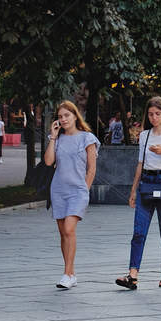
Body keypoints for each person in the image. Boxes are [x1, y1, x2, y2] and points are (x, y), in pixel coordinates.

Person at [115, 96, 161, 291]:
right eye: (150, 114)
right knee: (139, 231)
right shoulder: (145, 135)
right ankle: (132, 275)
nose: (154, 117)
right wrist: (133, 191)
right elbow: (140, 164)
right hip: (146, 183)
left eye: (157, 114)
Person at [44, 101, 99, 289]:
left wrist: (85, 189)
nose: (63, 119)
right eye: (60, 116)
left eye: (67, 115)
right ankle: (71, 273)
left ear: (75, 116)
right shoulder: (57, 138)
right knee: (63, 233)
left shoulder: (87, 138)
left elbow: (92, 169)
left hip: (78, 191)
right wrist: (53, 137)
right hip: (59, 190)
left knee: (69, 229)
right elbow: (48, 161)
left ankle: (67, 274)